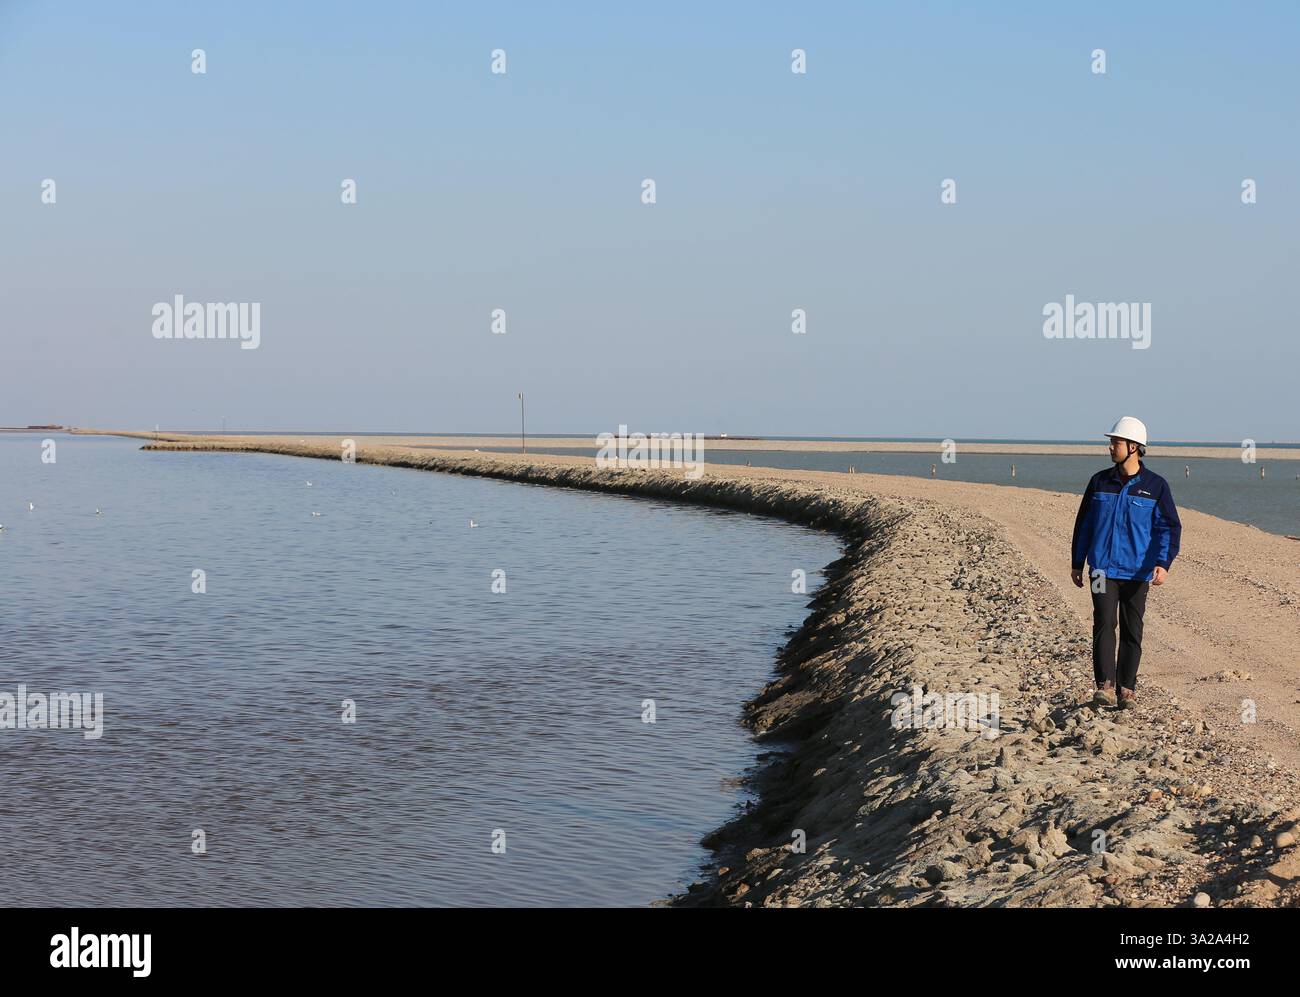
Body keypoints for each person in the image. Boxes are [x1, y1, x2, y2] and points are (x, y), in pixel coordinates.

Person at [1070, 417, 1182, 709]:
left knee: (1133, 629)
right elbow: (1084, 525)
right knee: (1104, 622)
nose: (1111, 447)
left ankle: (1127, 689)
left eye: (1116, 443)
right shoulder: (1099, 481)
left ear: (1134, 447)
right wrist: (1077, 562)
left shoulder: (1156, 486)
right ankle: (1105, 686)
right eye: (1112, 442)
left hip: (1138, 571)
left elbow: (1168, 528)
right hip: (1101, 569)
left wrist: (1163, 563)